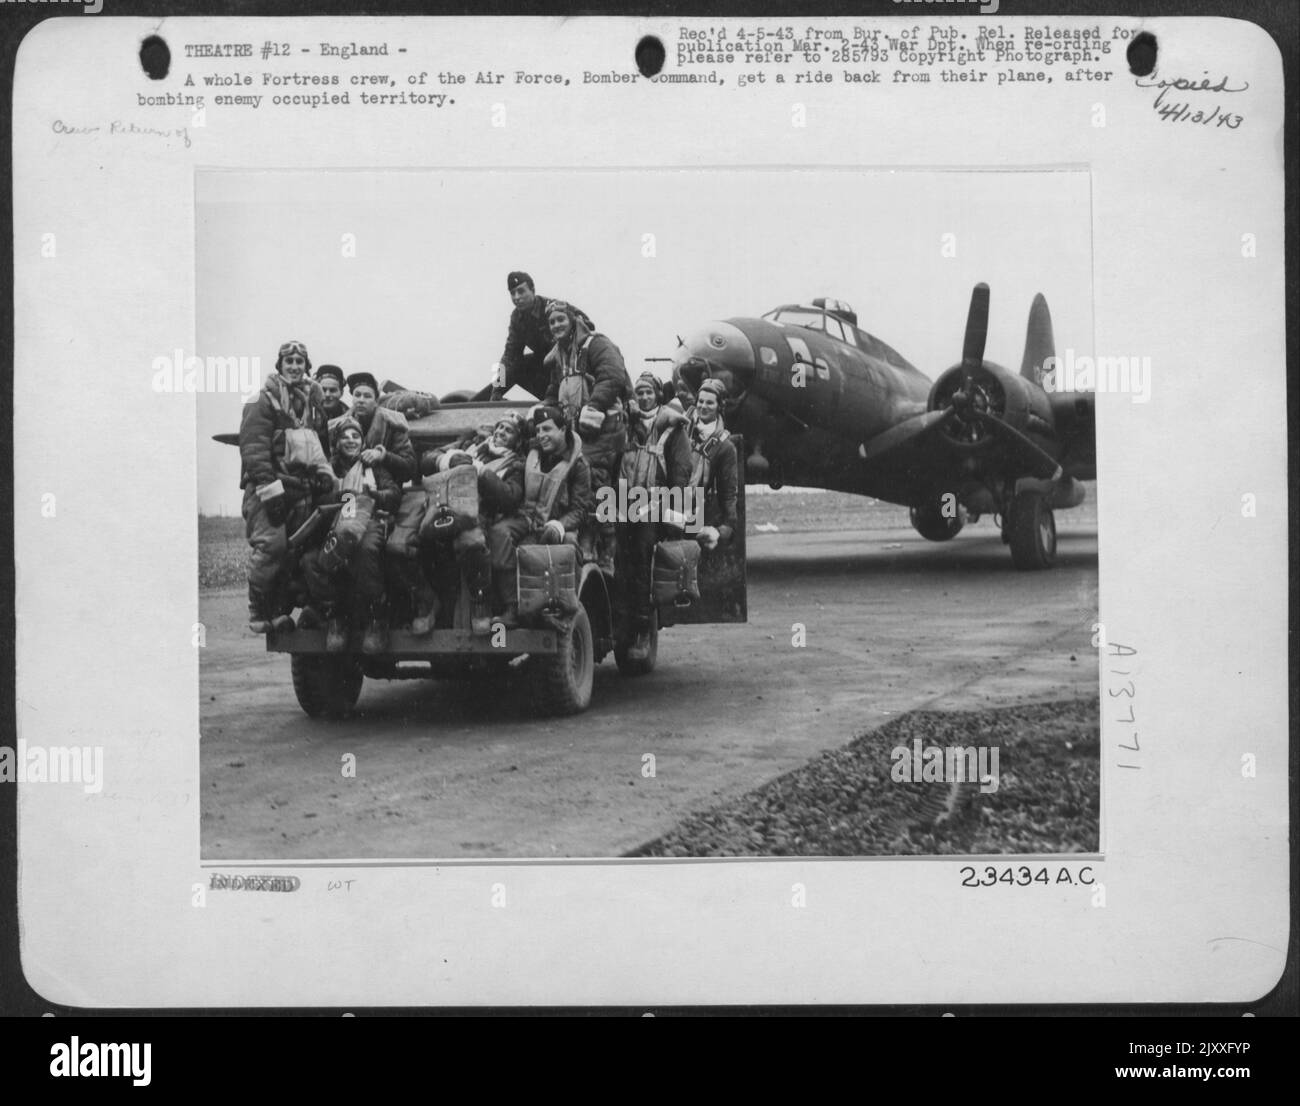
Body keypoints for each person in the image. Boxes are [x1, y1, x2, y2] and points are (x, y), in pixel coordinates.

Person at [400, 413, 527, 636]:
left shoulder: (516, 464)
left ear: (517, 440)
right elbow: (426, 459)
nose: (500, 433)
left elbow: (510, 498)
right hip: (437, 511)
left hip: (476, 517)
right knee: (401, 545)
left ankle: (480, 604)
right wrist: (449, 459)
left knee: (471, 542)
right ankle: (426, 603)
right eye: (499, 427)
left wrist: (480, 472)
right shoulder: (469, 444)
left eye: (508, 430)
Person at [238, 340, 332, 633]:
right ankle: (258, 610)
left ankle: (278, 611)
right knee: (272, 546)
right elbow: (253, 449)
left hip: (301, 488)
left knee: (295, 552)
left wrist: (324, 474)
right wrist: (268, 490)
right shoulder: (260, 401)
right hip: (268, 486)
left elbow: (321, 444)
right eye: (288, 362)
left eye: (299, 362)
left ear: (307, 367)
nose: (294, 367)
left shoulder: (312, 402)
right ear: (279, 365)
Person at [301, 416, 403, 653]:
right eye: (345, 436)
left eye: (355, 436)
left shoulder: (373, 466)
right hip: (336, 525)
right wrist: (337, 494)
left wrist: (375, 495)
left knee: (365, 550)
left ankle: (377, 619)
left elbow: (394, 494)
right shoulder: (327, 468)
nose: (350, 441)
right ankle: (336, 617)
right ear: (336, 442)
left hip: (370, 521)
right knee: (311, 561)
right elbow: (317, 499)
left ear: (362, 440)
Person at [541, 299, 630, 568]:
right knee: (579, 482)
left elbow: (613, 376)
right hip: (576, 430)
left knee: (596, 482)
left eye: (561, 320)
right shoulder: (558, 355)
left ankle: (605, 545)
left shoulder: (596, 344)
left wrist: (593, 407)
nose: (556, 325)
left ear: (573, 320)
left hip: (603, 430)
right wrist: (543, 410)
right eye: (552, 321)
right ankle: (587, 536)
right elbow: (553, 389)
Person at [486, 405, 593, 626]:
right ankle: (511, 606)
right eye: (538, 431)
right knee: (498, 533)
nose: (541, 435)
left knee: (561, 553)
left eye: (547, 429)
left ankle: (558, 614)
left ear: (563, 430)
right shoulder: (531, 452)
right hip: (525, 518)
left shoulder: (579, 465)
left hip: (556, 524)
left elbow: (580, 509)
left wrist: (560, 525)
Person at [616, 372, 692, 661]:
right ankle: (622, 628)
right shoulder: (629, 423)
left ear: (658, 395)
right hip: (624, 503)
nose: (644, 397)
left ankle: (643, 631)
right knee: (620, 562)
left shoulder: (674, 427)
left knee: (643, 561)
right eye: (640, 392)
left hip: (655, 504)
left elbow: (681, 472)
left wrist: (675, 517)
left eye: (649, 392)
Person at [488, 272, 593, 401]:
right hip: (544, 365)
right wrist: (497, 389)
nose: (516, 297)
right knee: (515, 364)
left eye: (521, 291)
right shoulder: (517, 318)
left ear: (533, 290)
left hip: (569, 363)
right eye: (512, 293)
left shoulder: (553, 307)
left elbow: (587, 325)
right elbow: (510, 355)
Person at [685, 377, 739, 550]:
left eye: (710, 403)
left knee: (690, 556)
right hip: (671, 500)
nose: (703, 406)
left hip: (698, 505)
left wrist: (727, 526)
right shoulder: (681, 429)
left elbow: (728, 491)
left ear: (719, 406)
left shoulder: (725, 446)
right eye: (700, 401)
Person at [345, 371, 417, 487]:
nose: (361, 400)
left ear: (376, 401)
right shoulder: (342, 424)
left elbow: (409, 468)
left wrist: (382, 455)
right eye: (357, 395)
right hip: (351, 485)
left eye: (367, 396)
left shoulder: (393, 423)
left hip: (387, 488)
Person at [314, 365, 349, 453]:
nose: (327, 395)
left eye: (333, 390)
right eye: (323, 390)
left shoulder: (350, 417)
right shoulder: (305, 413)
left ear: (341, 392)